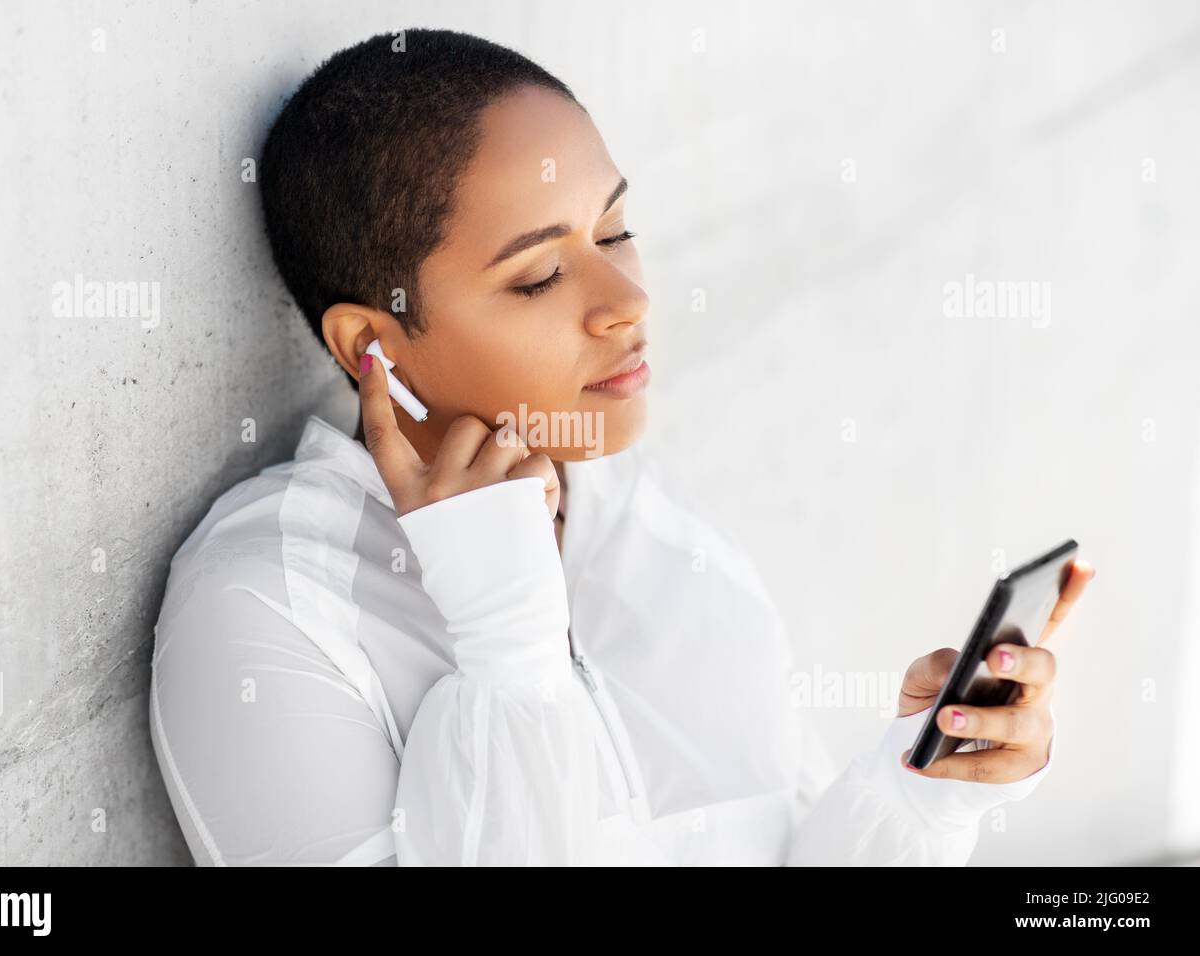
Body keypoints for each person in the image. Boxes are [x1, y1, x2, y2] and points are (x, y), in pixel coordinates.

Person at [147, 28, 1095, 866]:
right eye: (542, 275)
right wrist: (508, 646)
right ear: (375, 346)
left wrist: (916, 798)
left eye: (618, 230)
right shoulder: (270, 603)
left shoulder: (658, 536)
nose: (628, 300)